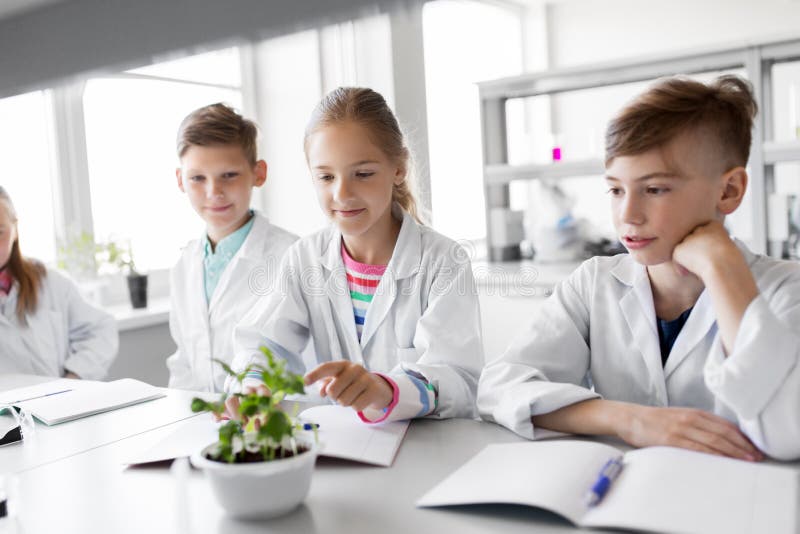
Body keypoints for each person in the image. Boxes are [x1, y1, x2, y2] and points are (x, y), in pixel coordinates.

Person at [478, 75, 800, 461]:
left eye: (655, 189)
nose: (627, 215)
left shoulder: (786, 290)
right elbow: (500, 386)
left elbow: (788, 432)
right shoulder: (594, 282)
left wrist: (720, 267)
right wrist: (629, 420)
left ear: (728, 191)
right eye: (616, 190)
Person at [229, 87, 483, 423]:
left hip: (423, 448)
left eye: (362, 174)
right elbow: (264, 343)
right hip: (339, 446)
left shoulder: (443, 260)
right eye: (326, 176)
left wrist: (389, 390)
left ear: (398, 169)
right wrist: (255, 384)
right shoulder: (304, 258)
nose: (342, 193)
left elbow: (458, 381)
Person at [167, 103, 298, 392]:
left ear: (258, 173)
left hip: (270, 419)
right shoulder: (184, 265)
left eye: (229, 175)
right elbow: (184, 363)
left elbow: (289, 355)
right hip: (201, 420)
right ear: (180, 180)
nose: (214, 192)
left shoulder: (291, 256)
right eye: (197, 178)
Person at [0, 186, 118, 379]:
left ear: (15, 230)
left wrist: (75, 377)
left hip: (58, 404)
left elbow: (101, 330)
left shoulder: (49, 282)